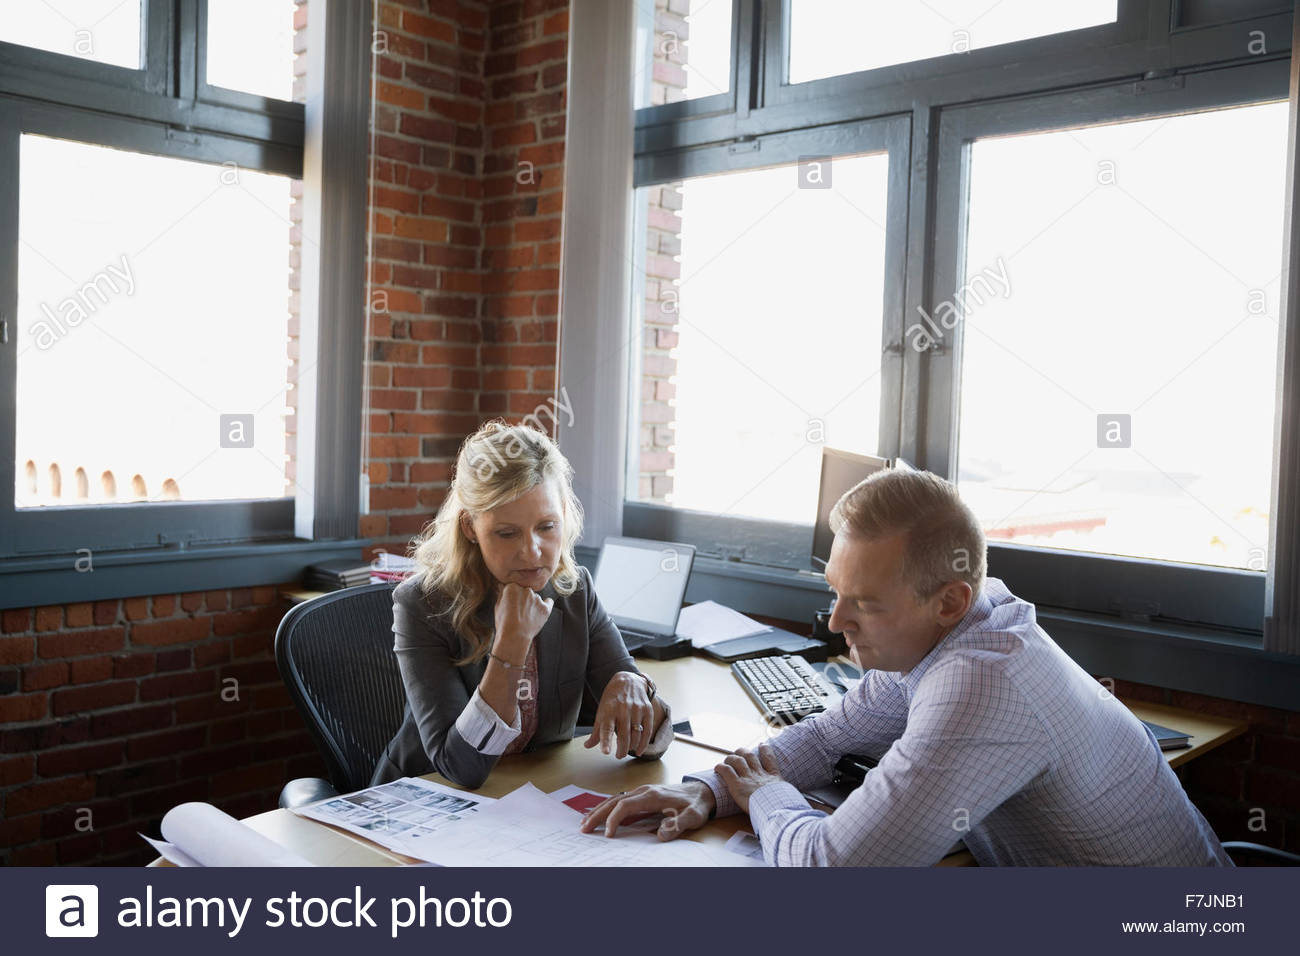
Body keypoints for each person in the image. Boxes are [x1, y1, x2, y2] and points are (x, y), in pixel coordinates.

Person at [580, 469, 1230, 866]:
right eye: (834, 591)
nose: (835, 623)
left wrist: (766, 797)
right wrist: (710, 790)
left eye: (862, 604)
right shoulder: (950, 626)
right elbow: (831, 736)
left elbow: (837, 873)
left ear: (949, 601)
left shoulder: (982, 683)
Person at [371, 421, 672, 790]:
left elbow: (645, 742)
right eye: (507, 532)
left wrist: (635, 685)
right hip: (424, 800)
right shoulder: (423, 604)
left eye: (546, 526)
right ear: (470, 527)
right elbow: (461, 768)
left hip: (526, 799)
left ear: (563, 512)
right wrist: (511, 644)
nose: (531, 551)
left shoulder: (573, 591)